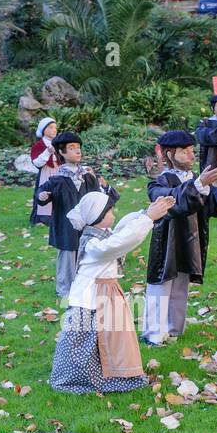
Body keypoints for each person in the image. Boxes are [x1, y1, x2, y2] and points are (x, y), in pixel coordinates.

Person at [49, 190, 173, 393]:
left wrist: (145, 213)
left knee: (110, 338)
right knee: (84, 339)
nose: (114, 215)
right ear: (98, 217)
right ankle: (77, 378)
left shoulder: (100, 235)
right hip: (91, 298)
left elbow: (122, 230)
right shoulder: (93, 243)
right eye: (110, 212)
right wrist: (148, 218)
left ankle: (113, 375)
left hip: (105, 294)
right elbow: (119, 242)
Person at [143, 129, 217, 345]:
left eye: (192, 151)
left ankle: (174, 330)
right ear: (170, 155)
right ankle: (153, 334)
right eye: (185, 152)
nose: (191, 156)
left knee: (181, 287)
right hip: (167, 245)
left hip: (191, 242)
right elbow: (171, 201)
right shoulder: (159, 182)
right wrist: (199, 184)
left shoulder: (197, 180)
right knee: (160, 288)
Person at [36, 132, 114, 299]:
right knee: (67, 259)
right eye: (71, 148)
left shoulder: (88, 177)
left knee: (88, 255)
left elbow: (102, 199)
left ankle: (88, 286)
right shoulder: (57, 179)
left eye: (78, 148)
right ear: (61, 153)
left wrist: (106, 188)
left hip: (88, 227)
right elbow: (42, 193)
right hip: (66, 228)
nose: (77, 151)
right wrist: (43, 196)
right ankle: (65, 290)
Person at [29, 117, 60, 226]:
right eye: (51, 128)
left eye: (55, 128)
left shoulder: (58, 143)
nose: (54, 130)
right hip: (46, 173)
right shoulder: (39, 146)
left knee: (59, 192)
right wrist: (47, 152)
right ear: (44, 130)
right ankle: (43, 218)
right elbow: (36, 162)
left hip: (58, 171)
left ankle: (58, 215)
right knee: (45, 191)